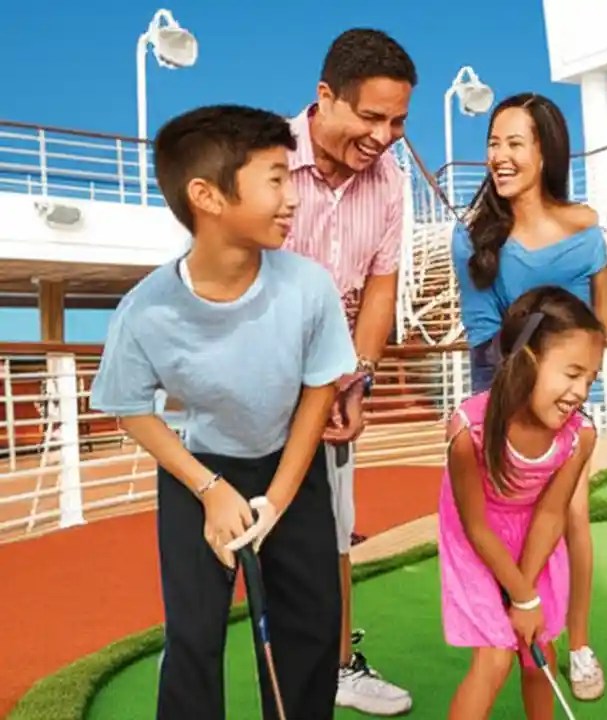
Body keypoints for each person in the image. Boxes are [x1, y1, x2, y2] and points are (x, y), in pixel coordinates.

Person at [89, 104, 356, 719]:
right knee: (194, 634)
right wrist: (210, 490)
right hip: (200, 472)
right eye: (275, 178)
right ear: (207, 196)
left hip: (291, 467)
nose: (293, 198)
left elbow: (318, 391)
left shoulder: (309, 287)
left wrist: (280, 498)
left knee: (311, 626)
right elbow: (132, 408)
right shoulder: (144, 310)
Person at [450, 91, 607, 701]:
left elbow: (601, 322)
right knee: (512, 536)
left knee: (572, 514)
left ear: (545, 151)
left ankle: (577, 641)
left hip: (568, 397)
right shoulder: (472, 240)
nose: (499, 155)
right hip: (503, 399)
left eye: (514, 143)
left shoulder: (587, 227)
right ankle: (517, 619)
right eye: (493, 143)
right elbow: (488, 340)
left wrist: (576, 380)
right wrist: (534, 391)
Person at [281, 28, 417, 716]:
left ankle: (336, 669)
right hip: (258, 384)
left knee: (335, 531)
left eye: (397, 122)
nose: (385, 136)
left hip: (336, 385)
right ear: (325, 98)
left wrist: (356, 379)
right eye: (371, 118)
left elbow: (380, 289)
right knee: (246, 539)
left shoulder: (389, 183)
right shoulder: (262, 156)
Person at [438, 285, 604, 719]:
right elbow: (474, 527)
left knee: (537, 653)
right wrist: (522, 597)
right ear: (527, 359)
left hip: (535, 538)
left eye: (590, 379)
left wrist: (524, 595)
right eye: (571, 373)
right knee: (494, 657)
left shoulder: (578, 437)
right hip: (476, 541)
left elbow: (551, 514)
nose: (581, 391)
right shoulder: (467, 431)